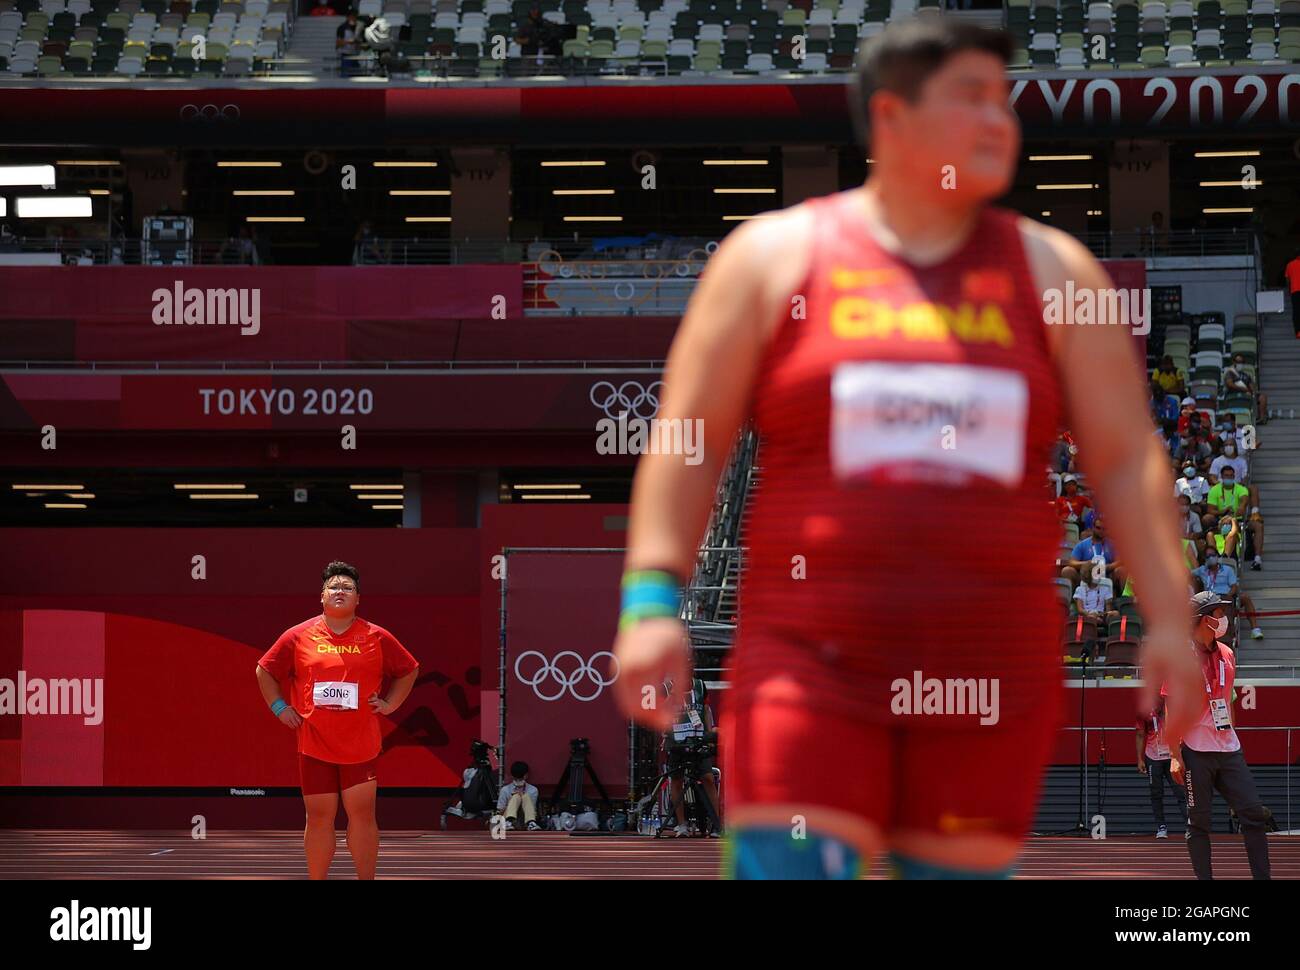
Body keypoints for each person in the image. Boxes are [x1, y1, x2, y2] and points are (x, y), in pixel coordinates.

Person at [610, 17, 1200, 880]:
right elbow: (687, 443)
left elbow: (1123, 457)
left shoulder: (1058, 273)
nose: (999, 122)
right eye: (970, 99)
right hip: (806, 658)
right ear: (890, 118)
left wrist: (1171, 621)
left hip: (988, 669)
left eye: (1004, 101)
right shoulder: (771, 259)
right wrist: (648, 601)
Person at [255, 561, 419, 879]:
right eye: (334, 586)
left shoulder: (377, 636)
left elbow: (409, 669)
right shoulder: (299, 635)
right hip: (314, 743)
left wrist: (390, 704)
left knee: (362, 815)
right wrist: (279, 708)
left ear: (358, 598)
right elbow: (264, 670)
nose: (339, 591)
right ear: (322, 596)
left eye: (347, 587)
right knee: (318, 817)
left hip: (361, 745)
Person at [1167, 591, 1271, 879]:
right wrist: (1175, 756)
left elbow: (1227, 699)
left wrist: (1231, 733)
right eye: (1218, 613)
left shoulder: (1227, 653)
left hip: (1228, 750)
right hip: (1195, 750)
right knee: (1198, 823)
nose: (1223, 618)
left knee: (1253, 813)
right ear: (1202, 620)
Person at [663, 674, 721, 837]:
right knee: (677, 781)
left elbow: (707, 711)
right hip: (677, 742)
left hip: (698, 740)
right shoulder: (667, 687)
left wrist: (709, 736)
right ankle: (682, 825)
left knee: (708, 778)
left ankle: (716, 824)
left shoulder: (700, 686)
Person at [1136, 696, 1186, 838]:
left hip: (1172, 756)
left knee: (1181, 791)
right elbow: (1140, 734)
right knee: (1156, 793)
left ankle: (1189, 826)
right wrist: (1139, 759)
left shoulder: (1174, 706)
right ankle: (1161, 827)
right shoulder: (1144, 709)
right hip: (1153, 756)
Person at [497, 761, 542, 830]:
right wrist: (512, 801)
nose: (518, 781)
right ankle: (509, 821)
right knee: (516, 797)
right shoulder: (505, 790)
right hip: (507, 817)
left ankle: (531, 823)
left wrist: (522, 795)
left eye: (520, 779)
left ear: (526, 776)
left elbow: (532, 809)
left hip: (525, 819)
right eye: (515, 778)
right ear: (512, 776)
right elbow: (500, 811)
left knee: (525, 796)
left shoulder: (533, 790)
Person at [1285, 249, 1300, 338]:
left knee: (1296, 311)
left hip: (1295, 291)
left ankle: (1298, 331)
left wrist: (1288, 289)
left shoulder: (1290, 265)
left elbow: (1287, 280)